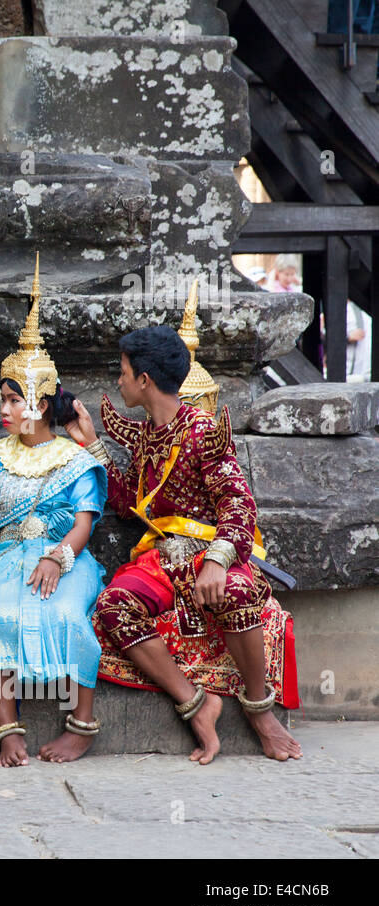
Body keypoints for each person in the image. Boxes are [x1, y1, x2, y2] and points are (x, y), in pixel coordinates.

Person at [72, 324, 303, 764]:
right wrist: (90, 444)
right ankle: (196, 704)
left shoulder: (200, 432)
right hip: (160, 559)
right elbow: (129, 507)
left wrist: (218, 561)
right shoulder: (147, 437)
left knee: (235, 591)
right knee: (113, 605)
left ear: (144, 380)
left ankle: (260, 710)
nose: (118, 380)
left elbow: (238, 503)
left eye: (122, 372)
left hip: (208, 551)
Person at [0, 257, 107, 766]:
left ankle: (81, 725)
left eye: (14, 400)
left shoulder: (74, 457)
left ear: (41, 403)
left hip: (66, 556)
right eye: (3, 398)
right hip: (4, 557)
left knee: (67, 614)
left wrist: (57, 559)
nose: (5, 409)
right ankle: (8, 729)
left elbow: (85, 522)